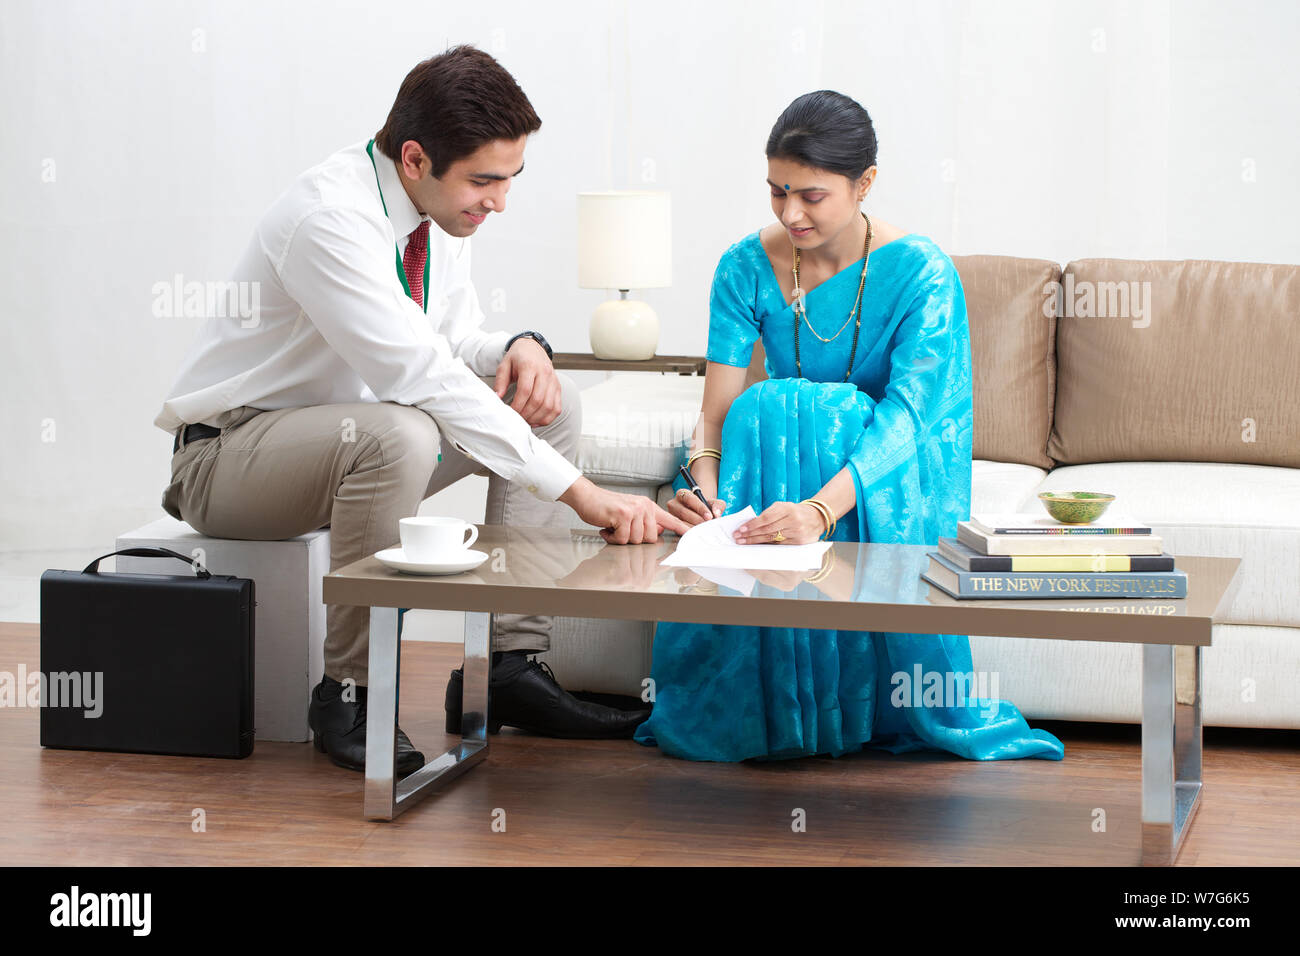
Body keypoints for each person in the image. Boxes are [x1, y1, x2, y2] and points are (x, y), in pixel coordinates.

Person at [154, 46, 688, 777]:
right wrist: (584, 494)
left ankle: (508, 668)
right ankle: (350, 691)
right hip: (226, 460)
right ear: (414, 158)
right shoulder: (329, 220)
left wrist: (519, 344)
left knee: (543, 403)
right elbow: (421, 375)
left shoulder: (433, 213)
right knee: (398, 432)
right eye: (485, 181)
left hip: (346, 446)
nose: (499, 201)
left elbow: (452, 340)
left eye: (510, 180)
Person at [635, 90, 1064, 763]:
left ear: (864, 184)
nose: (789, 212)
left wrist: (817, 510)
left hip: (883, 473)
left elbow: (911, 416)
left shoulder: (921, 271)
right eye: (777, 192)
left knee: (824, 411)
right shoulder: (744, 266)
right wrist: (709, 489)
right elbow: (715, 414)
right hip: (775, 459)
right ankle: (774, 710)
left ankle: (852, 707)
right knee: (764, 407)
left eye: (811, 195)